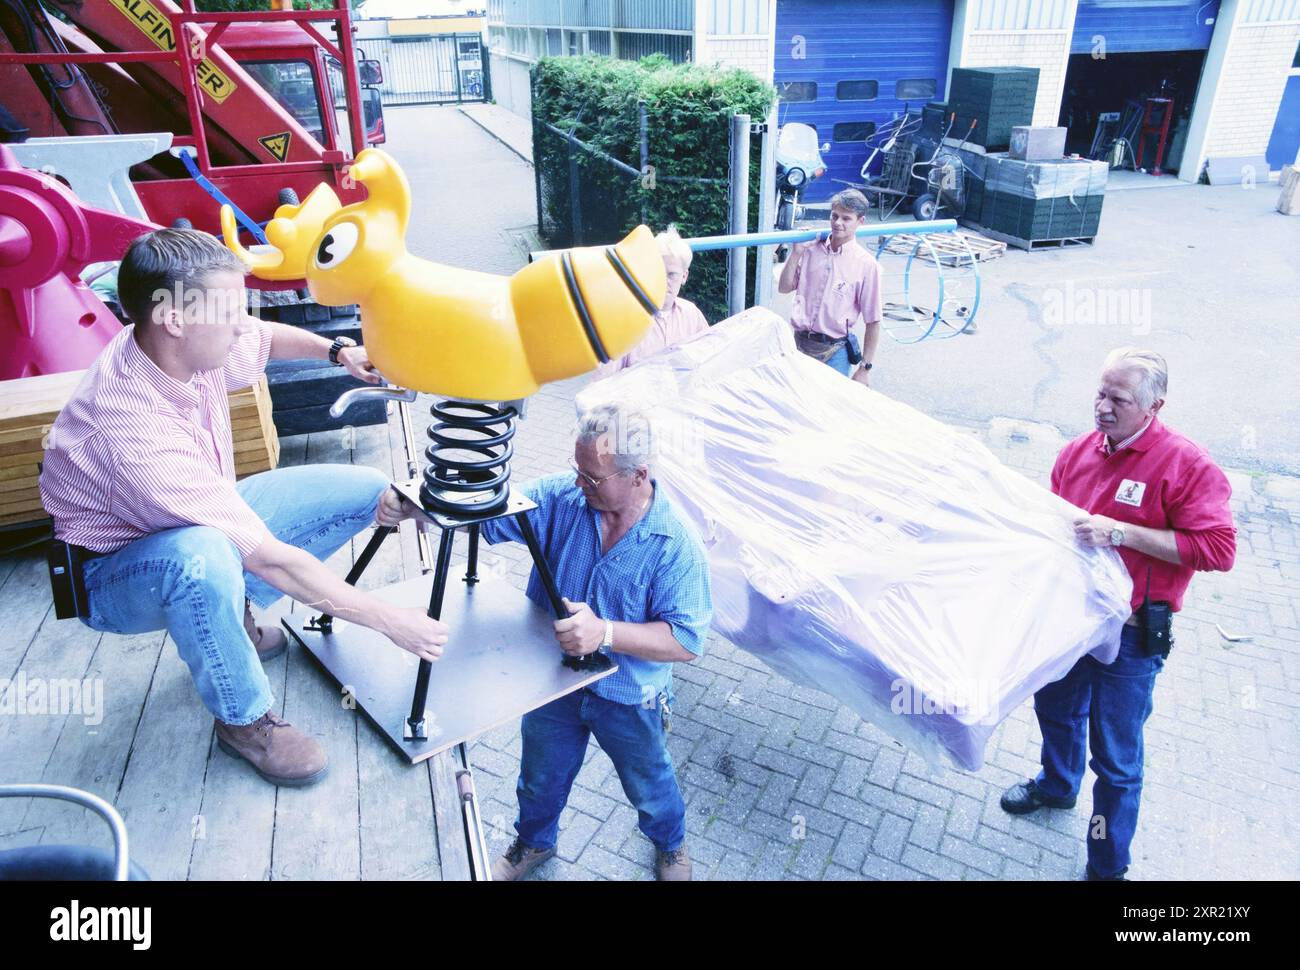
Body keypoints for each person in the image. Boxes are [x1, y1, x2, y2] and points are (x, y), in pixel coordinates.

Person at [39, 229, 446, 788]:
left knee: (366, 489)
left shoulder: (181, 347)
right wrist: (388, 621)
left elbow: (263, 335)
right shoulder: (129, 426)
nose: (240, 321)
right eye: (228, 309)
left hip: (193, 511)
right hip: (114, 573)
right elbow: (272, 561)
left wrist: (339, 350)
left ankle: (235, 618)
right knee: (202, 559)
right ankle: (244, 721)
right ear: (175, 320)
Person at [1000, 348, 1236, 880]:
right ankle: (1057, 786)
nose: (1102, 407)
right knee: (1057, 711)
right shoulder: (1077, 451)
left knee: (1116, 760)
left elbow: (1219, 549)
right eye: (1100, 393)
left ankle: (1107, 866)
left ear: (1155, 405)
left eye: (1119, 399)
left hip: (1131, 636)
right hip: (1070, 622)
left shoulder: (1186, 465)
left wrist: (1122, 533)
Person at [479, 404, 712, 882]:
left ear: (638, 475)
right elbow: (489, 513)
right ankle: (534, 842)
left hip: (628, 698)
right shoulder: (564, 497)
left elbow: (686, 640)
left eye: (593, 478)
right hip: (554, 683)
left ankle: (670, 846)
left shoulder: (675, 546)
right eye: (577, 470)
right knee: (539, 777)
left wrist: (605, 632)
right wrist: (427, 503)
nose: (580, 484)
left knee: (650, 785)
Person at [776, 188, 883, 382]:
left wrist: (865, 368)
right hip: (799, 344)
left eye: (846, 218)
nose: (838, 223)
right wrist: (796, 253)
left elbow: (873, 321)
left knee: (830, 408)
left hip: (836, 352)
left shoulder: (866, 265)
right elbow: (783, 287)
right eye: (834, 216)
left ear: (860, 221)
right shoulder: (810, 250)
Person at [595, 226, 709, 377]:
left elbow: (710, 358)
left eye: (672, 275)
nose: (663, 280)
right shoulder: (628, 320)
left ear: (684, 276)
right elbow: (603, 381)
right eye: (658, 271)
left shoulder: (691, 315)